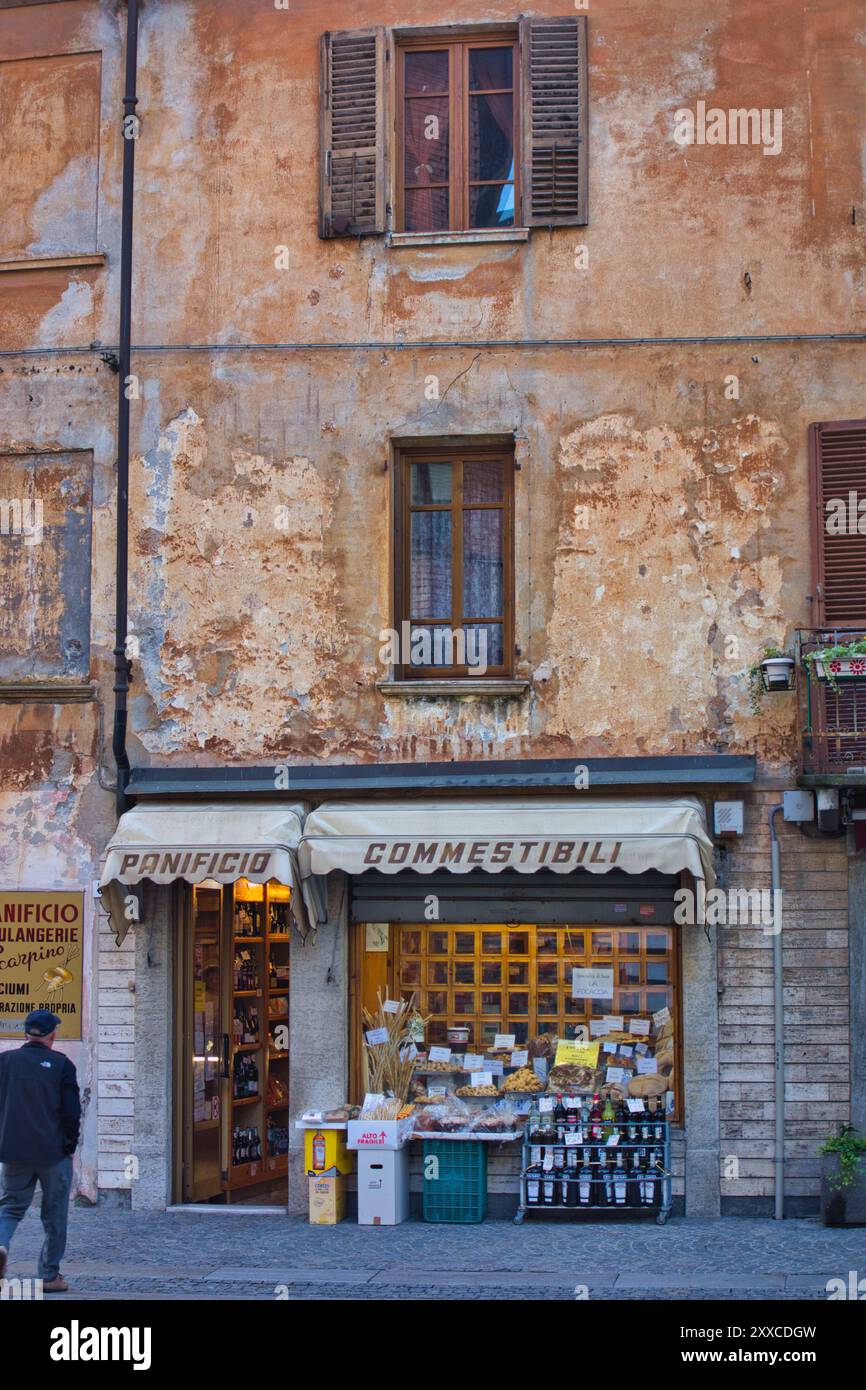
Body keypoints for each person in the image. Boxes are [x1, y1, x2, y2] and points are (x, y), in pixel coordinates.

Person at [0, 1009, 81, 1293]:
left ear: (26, 1033)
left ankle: (0, 1244)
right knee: (55, 1214)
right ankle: (49, 1276)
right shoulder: (62, 1065)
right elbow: (71, 1112)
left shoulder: (5, 1061)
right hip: (53, 1152)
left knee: (10, 1207)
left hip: (13, 1151)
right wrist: (70, 1146)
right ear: (52, 1035)